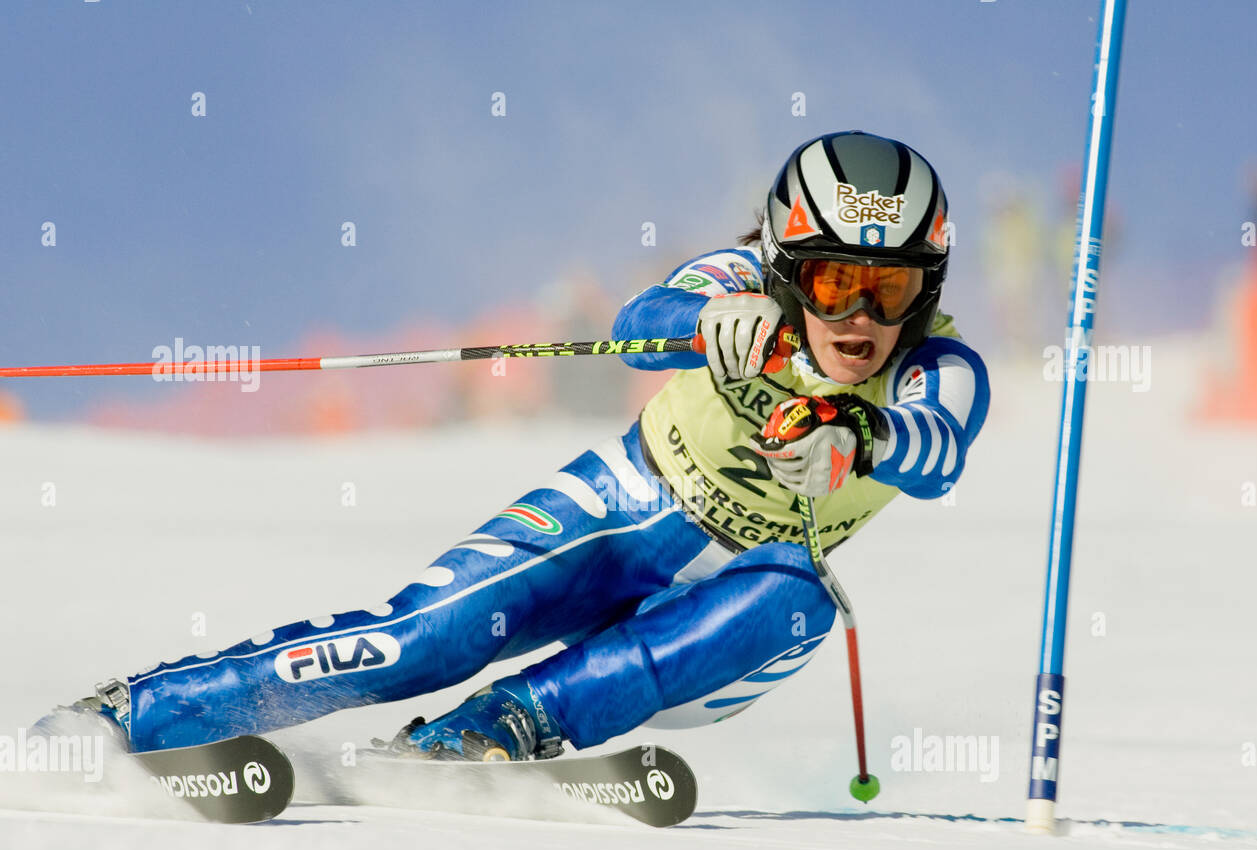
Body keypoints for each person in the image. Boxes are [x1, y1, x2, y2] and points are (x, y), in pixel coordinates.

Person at [45, 131, 990, 762]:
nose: (861, 315)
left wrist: (857, 429)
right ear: (786, 268)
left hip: (731, 630)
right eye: (831, 283)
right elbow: (639, 317)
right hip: (626, 512)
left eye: (892, 288)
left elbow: (938, 446)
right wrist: (708, 319)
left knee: (801, 595)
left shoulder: (937, 364)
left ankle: (492, 734)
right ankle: (132, 719)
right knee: (420, 641)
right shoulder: (740, 280)